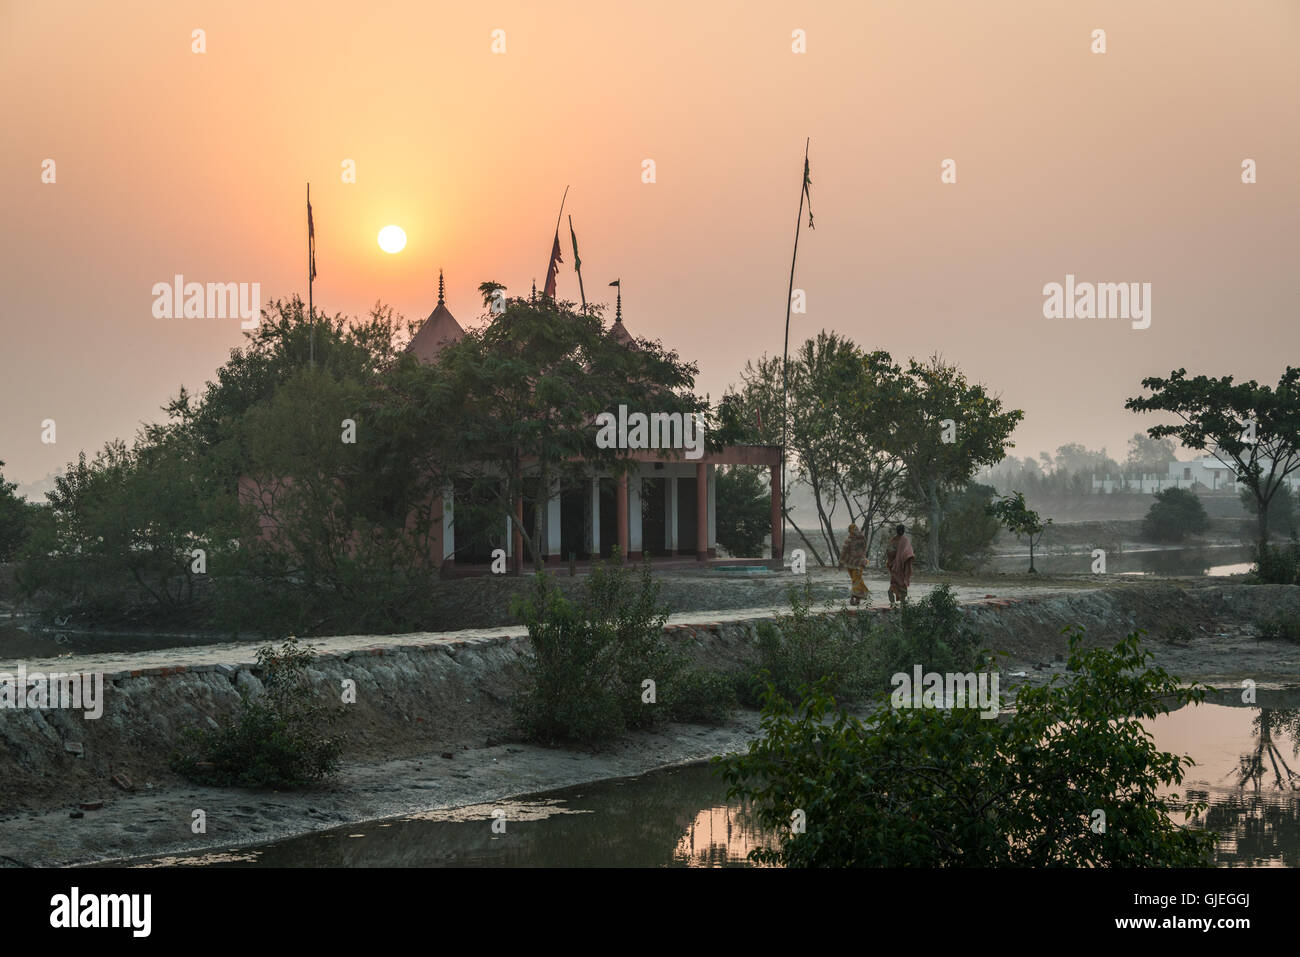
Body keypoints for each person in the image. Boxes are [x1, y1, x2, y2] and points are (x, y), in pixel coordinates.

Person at [839, 523, 869, 605]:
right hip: (852, 563)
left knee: (856, 580)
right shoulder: (852, 539)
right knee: (856, 581)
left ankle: (854, 598)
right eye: (854, 529)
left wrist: (841, 562)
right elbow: (844, 552)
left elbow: (863, 549)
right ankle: (857, 597)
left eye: (856, 529)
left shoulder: (860, 539)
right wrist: (841, 562)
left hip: (858, 563)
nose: (855, 531)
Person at [885, 523, 915, 607]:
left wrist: (904, 558)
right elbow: (889, 551)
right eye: (899, 530)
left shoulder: (905, 540)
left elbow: (909, 553)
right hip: (895, 567)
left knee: (902, 585)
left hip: (902, 567)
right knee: (894, 585)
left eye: (901, 530)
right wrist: (895, 555)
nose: (900, 531)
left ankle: (902, 602)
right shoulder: (894, 540)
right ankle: (893, 602)